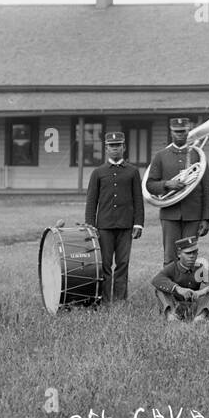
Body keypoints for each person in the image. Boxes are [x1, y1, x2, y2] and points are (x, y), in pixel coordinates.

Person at [84, 130, 144, 305]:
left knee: (123, 263)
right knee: (104, 264)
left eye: (118, 145)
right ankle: (104, 300)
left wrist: (138, 224)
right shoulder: (98, 172)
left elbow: (138, 199)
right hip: (104, 226)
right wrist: (90, 224)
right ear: (106, 149)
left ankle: (119, 300)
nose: (115, 149)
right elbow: (91, 201)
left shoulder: (132, 171)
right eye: (112, 146)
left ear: (124, 147)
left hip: (126, 225)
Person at [146, 117, 209, 264]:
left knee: (189, 256)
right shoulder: (161, 156)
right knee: (170, 257)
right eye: (176, 131)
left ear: (188, 131)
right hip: (170, 214)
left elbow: (207, 189)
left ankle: (188, 287)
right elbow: (150, 185)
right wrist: (167, 184)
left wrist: (206, 219)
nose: (180, 134)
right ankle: (168, 287)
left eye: (183, 131)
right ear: (171, 132)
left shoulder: (198, 155)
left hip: (193, 215)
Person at [152, 236, 209, 324]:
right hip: (175, 304)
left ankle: (200, 317)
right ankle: (171, 316)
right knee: (159, 289)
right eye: (188, 253)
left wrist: (202, 291)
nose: (192, 256)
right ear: (179, 254)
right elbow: (157, 279)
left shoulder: (198, 268)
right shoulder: (173, 267)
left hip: (194, 305)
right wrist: (178, 289)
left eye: (194, 253)